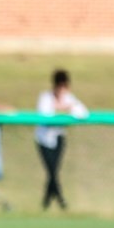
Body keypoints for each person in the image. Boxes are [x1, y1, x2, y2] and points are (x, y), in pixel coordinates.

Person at [35, 69, 88, 210]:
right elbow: (45, 116)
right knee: (52, 171)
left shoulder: (69, 98)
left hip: (59, 138)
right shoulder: (45, 97)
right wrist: (64, 109)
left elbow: (83, 112)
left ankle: (46, 204)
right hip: (43, 139)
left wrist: (65, 107)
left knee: (54, 171)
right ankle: (60, 201)